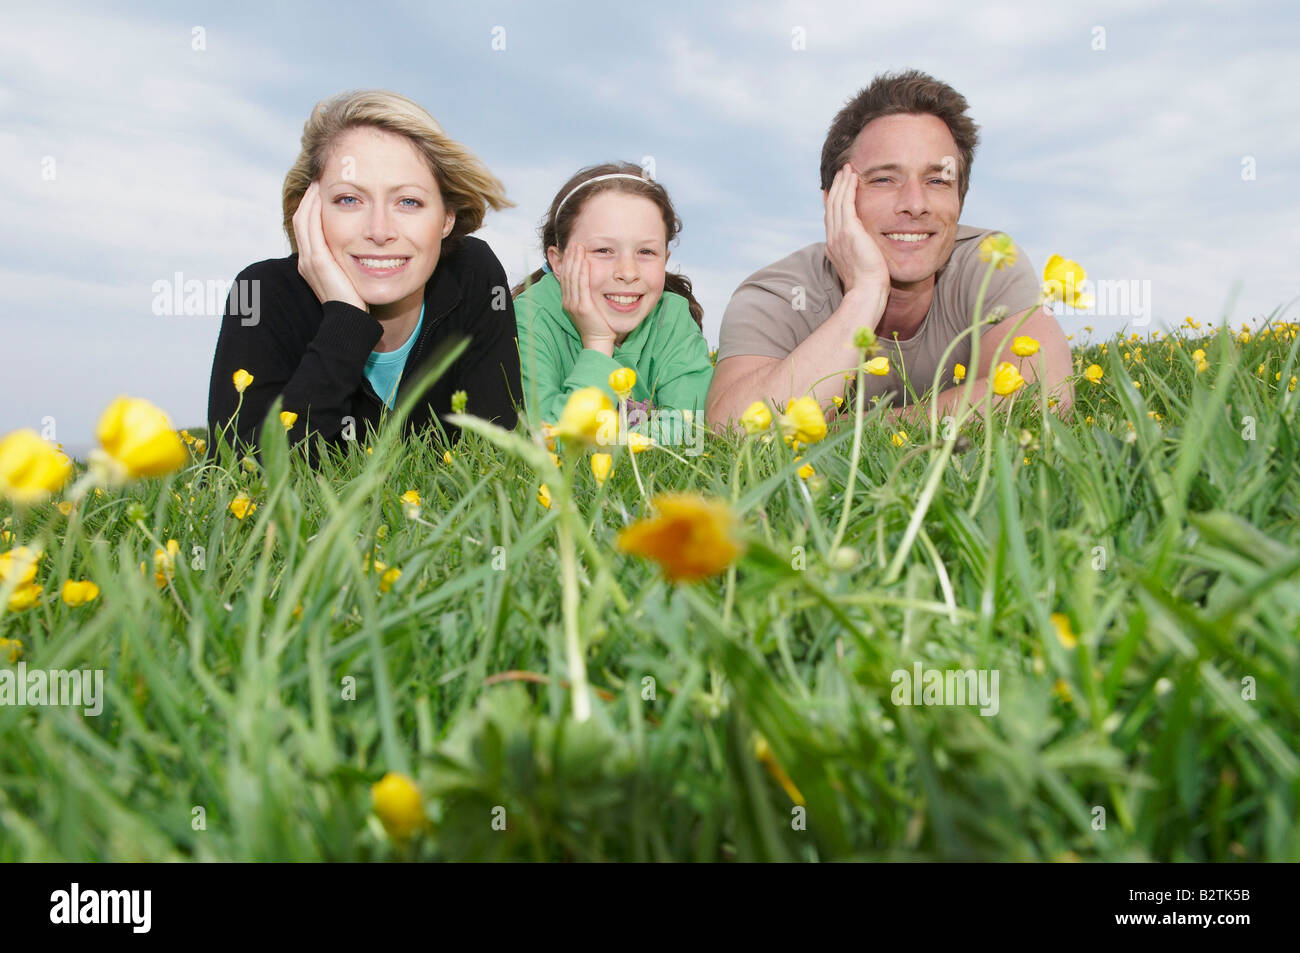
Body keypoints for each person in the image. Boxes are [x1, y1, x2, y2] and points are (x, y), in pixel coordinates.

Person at [706, 70, 1075, 431]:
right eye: (884, 179)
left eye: (937, 180)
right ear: (836, 201)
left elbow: (1047, 394)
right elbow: (732, 431)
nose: (915, 204)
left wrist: (837, 433)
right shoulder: (777, 295)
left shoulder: (990, 262)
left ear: (960, 201)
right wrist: (865, 294)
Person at [206, 89, 521, 461]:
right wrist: (346, 323)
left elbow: (495, 459)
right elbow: (242, 477)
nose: (379, 230)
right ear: (307, 209)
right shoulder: (259, 294)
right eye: (349, 200)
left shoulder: (473, 275)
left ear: (446, 218)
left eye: (408, 202)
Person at [512, 162, 713, 439]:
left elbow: (692, 428)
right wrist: (597, 343)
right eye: (604, 250)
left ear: (665, 261)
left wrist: (605, 443)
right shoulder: (528, 320)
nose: (628, 273)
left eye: (646, 251)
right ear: (558, 262)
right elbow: (547, 440)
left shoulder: (673, 317)